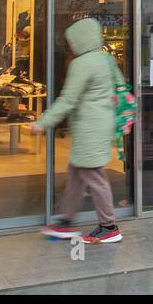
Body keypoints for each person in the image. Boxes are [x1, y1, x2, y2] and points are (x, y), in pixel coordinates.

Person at [34, 17, 123, 244]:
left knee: (94, 176)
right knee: (76, 172)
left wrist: (43, 121)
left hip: (88, 128)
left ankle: (109, 226)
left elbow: (68, 99)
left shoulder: (81, 64)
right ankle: (66, 220)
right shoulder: (107, 59)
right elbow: (118, 89)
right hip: (101, 124)